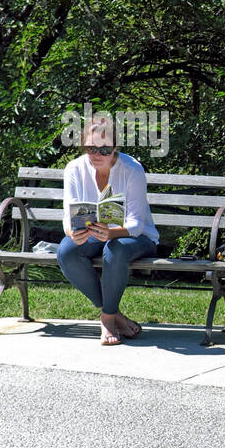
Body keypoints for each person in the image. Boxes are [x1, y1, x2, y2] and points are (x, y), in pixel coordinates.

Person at [57, 117, 159, 345]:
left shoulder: (132, 169)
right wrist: (72, 232)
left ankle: (107, 319)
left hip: (135, 238)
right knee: (67, 251)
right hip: (94, 234)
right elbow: (67, 215)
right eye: (90, 148)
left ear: (115, 148)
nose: (97, 155)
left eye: (104, 149)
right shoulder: (74, 168)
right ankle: (114, 313)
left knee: (115, 249)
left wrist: (112, 233)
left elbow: (136, 224)